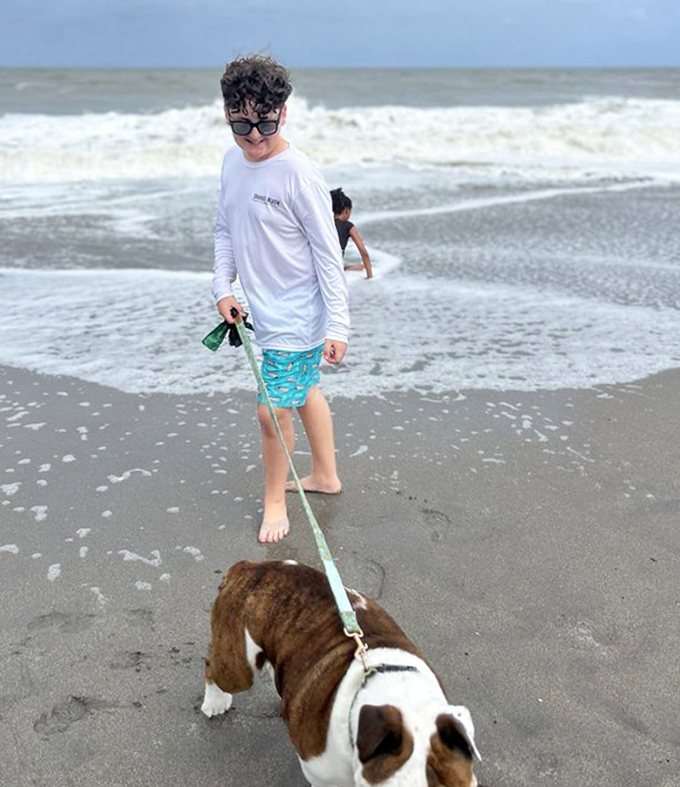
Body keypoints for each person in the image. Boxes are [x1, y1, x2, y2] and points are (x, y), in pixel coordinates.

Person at [211, 55, 349, 545]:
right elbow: (226, 227)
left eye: (265, 123)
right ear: (227, 113)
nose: (253, 137)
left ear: (283, 114)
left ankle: (274, 501)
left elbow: (327, 253)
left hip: (297, 314)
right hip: (264, 310)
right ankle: (325, 477)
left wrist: (339, 326)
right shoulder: (231, 163)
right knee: (305, 389)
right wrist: (222, 286)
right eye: (242, 123)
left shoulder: (297, 173)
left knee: (271, 413)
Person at [330, 187, 373, 279]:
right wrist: (370, 277)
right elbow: (363, 251)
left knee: (347, 265)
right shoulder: (348, 226)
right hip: (334, 266)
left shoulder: (325, 223)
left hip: (322, 262)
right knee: (362, 267)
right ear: (346, 211)